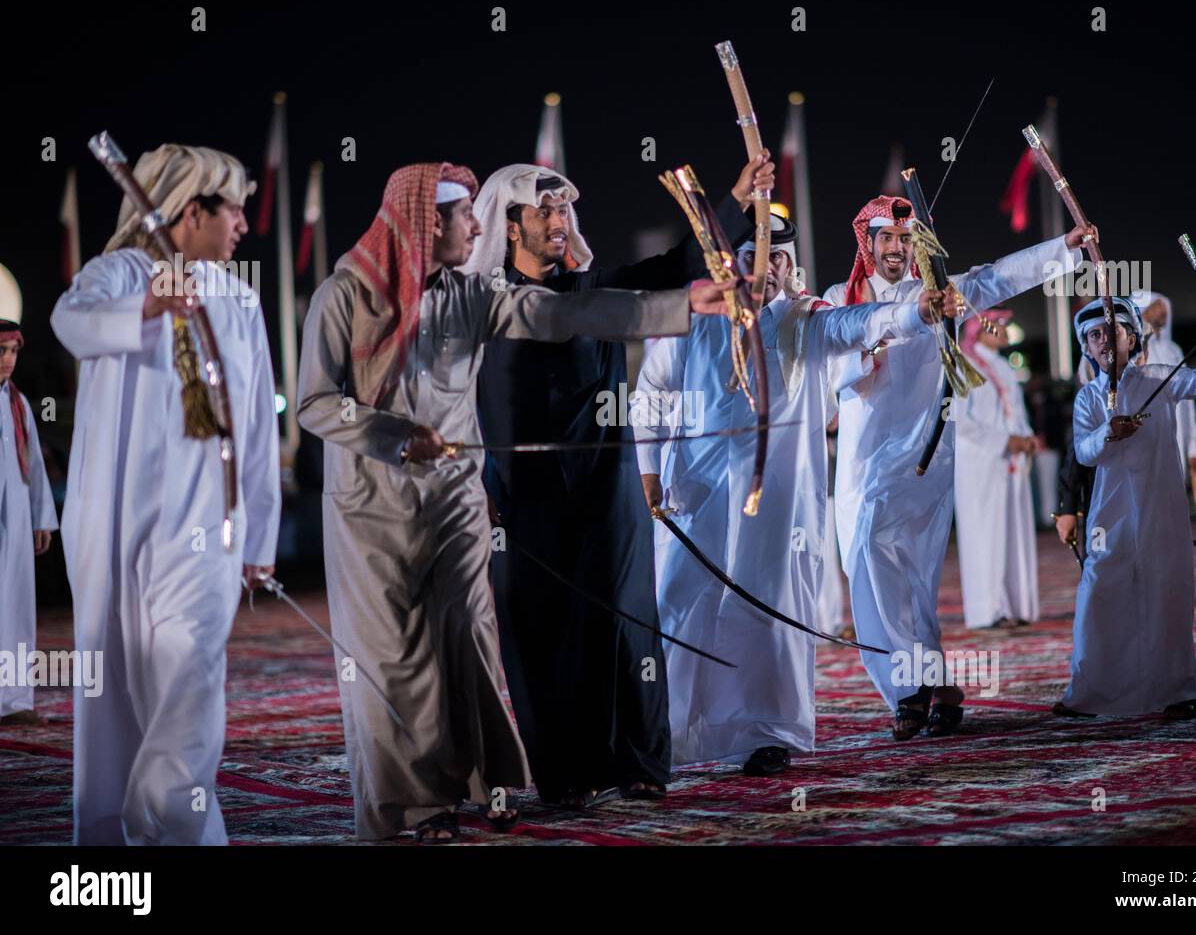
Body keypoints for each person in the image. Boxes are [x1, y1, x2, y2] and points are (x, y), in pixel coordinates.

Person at [296, 163, 737, 841]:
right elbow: (316, 403)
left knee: (469, 648)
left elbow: (559, 311)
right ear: (424, 221)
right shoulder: (344, 296)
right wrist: (393, 435)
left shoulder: (470, 297)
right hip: (374, 507)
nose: (474, 227)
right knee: (399, 659)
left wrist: (680, 307)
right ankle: (407, 807)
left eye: (478, 211)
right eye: (462, 215)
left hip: (455, 502)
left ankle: (470, 785)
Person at [459, 154, 772, 808]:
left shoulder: (594, 291)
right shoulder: (482, 308)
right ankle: (567, 773)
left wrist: (739, 199)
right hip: (525, 498)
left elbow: (677, 267)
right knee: (544, 629)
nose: (558, 219)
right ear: (509, 225)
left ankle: (637, 761)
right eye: (543, 209)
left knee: (626, 625)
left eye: (563, 207)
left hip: (609, 492)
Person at [636, 215, 963, 775]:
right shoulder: (690, 316)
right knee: (682, 605)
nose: (769, 269)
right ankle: (666, 732)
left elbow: (862, 322)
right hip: (697, 492)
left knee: (771, 612)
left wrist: (918, 311)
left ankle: (765, 734)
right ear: (729, 262)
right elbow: (653, 390)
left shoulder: (804, 319)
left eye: (780, 258)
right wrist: (647, 467)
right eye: (755, 257)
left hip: (781, 506)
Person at [51, 144, 281, 844]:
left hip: (206, 536)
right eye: (234, 208)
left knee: (187, 691)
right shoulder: (114, 274)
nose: (244, 223)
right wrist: (147, 303)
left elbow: (258, 433)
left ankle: (176, 824)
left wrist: (258, 540)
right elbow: (70, 322)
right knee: (113, 697)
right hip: (116, 530)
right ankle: (109, 846)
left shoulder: (237, 298)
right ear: (190, 210)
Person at [830, 194, 1091, 739]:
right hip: (859, 459)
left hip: (923, 457)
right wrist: (866, 355)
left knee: (891, 562)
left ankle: (910, 693)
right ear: (868, 242)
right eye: (888, 239)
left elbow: (998, 277)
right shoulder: (840, 298)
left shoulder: (942, 293)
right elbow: (830, 361)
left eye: (906, 239)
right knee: (883, 580)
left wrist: (1063, 249)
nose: (897, 249)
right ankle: (936, 684)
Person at [1055, 297, 1196, 719]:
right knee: (1099, 593)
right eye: (1094, 336)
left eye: (1113, 332)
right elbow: (1083, 453)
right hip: (1109, 516)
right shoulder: (1087, 399)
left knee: (1166, 592)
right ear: (1086, 347)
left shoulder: (1160, 377)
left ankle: (1178, 691)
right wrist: (1109, 432)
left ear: (1133, 338)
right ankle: (1090, 692)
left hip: (1162, 509)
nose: (1104, 341)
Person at [954, 309, 1040, 628]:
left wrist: (1026, 437)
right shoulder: (963, 365)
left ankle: (1016, 605)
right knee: (984, 534)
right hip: (980, 461)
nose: (1004, 329)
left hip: (1010, 460)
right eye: (998, 324)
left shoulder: (1004, 366)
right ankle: (986, 610)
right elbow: (959, 422)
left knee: (1012, 532)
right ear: (979, 330)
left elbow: (1015, 413)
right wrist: (1005, 440)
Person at [0, 319, 58, 726]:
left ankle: (16, 700)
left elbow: (34, 465)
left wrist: (41, 517)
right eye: (1, 352)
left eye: (13, 352)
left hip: (17, 517)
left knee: (17, 604)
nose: (7, 360)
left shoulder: (18, 404)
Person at [1134, 291, 1196, 481]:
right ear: (1142, 309)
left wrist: (1193, 448)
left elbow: (1188, 400)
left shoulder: (1174, 350)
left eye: (1164, 305)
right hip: (1146, 440)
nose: (1163, 310)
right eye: (1157, 305)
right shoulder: (1134, 350)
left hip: (1176, 438)